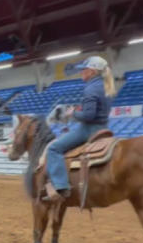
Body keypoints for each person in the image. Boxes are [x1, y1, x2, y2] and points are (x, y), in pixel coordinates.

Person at [44, 56, 117, 201]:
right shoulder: (105, 86)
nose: (81, 72)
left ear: (92, 71)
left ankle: (61, 186)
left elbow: (89, 116)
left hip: (89, 129)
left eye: (83, 69)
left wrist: (73, 113)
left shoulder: (91, 88)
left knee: (54, 149)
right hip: (103, 127)